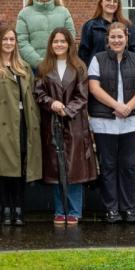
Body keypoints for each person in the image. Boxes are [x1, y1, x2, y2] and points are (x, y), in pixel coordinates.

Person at [0, 25, 42, 226]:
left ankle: (19, 208)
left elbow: (33, 95)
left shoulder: (24, 67)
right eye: (5, 39)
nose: (9, 43)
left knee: (21, 167)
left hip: (23, 123)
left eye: (12, 40)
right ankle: (5, 208)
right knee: (2, 169)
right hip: (0, 125)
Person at [35, 28, 98, 225]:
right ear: (51, 44)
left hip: (74, 124)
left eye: (63, 41)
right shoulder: (43, 68)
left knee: (74, 168)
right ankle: (60, 209)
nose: (59, 45)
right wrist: (51, 103)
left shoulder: (79, 67)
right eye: (56, 42)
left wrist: (68, 109)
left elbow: (83, 95)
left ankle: (74, 210)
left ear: (70, 44)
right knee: (56, 169)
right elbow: (38, 93)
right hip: (52, 123)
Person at [87, 22, 135, 224]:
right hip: (105, 122)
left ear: (126, 38)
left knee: (129, 167)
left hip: (132, 121)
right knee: (108, 166)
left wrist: (128, 107)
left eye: (120, 37)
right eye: (113, 37)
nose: (116, 40)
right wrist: (116, 105)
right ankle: (111, 209)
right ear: (108, 39)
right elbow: (94, 88)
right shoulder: (97, 59)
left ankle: (129, 208)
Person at [16, 0, 74, 69]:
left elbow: (70, 36)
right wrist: (39, 63)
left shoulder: (64, 12)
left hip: (60, 65)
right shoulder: (24, 14)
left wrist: (58, 59)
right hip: (34, 68)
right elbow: (22, 42)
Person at [78, 0, 135, 64]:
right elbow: (83, 54)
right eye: (108, 0)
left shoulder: (126, 25)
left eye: (115, 1)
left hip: (122, 70)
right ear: (101, 2)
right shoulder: (90, 25)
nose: (111, 3)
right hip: (97, 71)